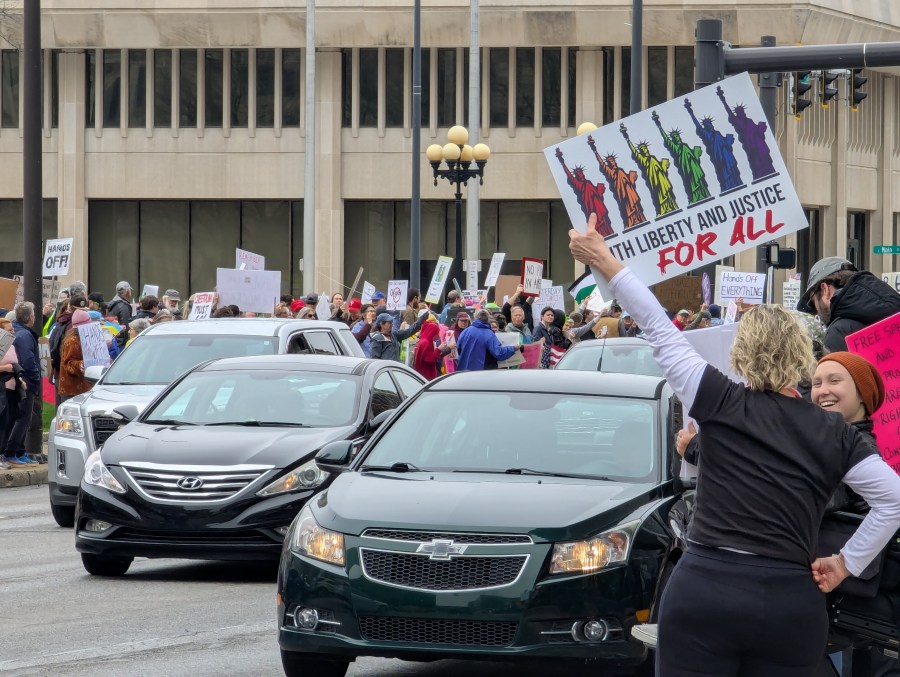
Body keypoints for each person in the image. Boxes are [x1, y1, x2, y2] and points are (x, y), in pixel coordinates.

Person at [570, 215, 900, 677]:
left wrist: (604, 259)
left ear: (739, 356)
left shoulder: (718, 398)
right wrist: (847, 563)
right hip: (790, 600)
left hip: (705, 590)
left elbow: (655, 324)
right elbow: (893, 500)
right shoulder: (835, 432)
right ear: (804, 358)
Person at [798, 256, 900, 353]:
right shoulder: (893, 313)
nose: (816, 311)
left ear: (825, 289)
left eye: (812, 301)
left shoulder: (839, 332)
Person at [5, 302, 40, 466]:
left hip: (17, 379)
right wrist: (35, 378)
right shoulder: (24, 335)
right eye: (33, 314)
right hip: (24, 381)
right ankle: (11, 452)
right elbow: (27, 360)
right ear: (30, 317)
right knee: (23, 418)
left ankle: (18, 451)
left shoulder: (19, 332)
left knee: (19, 417)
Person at [0, 317, 23, 469]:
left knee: (8, 421)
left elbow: (15, 364)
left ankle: (2, 453)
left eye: (12, 330)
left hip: (12, 387)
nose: (12, 333)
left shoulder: (11, 346)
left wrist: (20, 377)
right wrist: (5, 368)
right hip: (2, 387)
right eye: (9, 331)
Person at [59, 309, 94, 402]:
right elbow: (68, 363)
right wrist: (80, 364)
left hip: (82, 388)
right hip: (72, 390)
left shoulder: (82, 338)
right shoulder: (72, 341)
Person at [412, 315, 450, 380]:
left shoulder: (422, 341)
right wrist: (438, 349)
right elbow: (430, 360)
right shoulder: (426, 343)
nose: (437, 335)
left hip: (422, 374)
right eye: (435, 333)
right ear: (431, 332)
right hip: (426, 375)